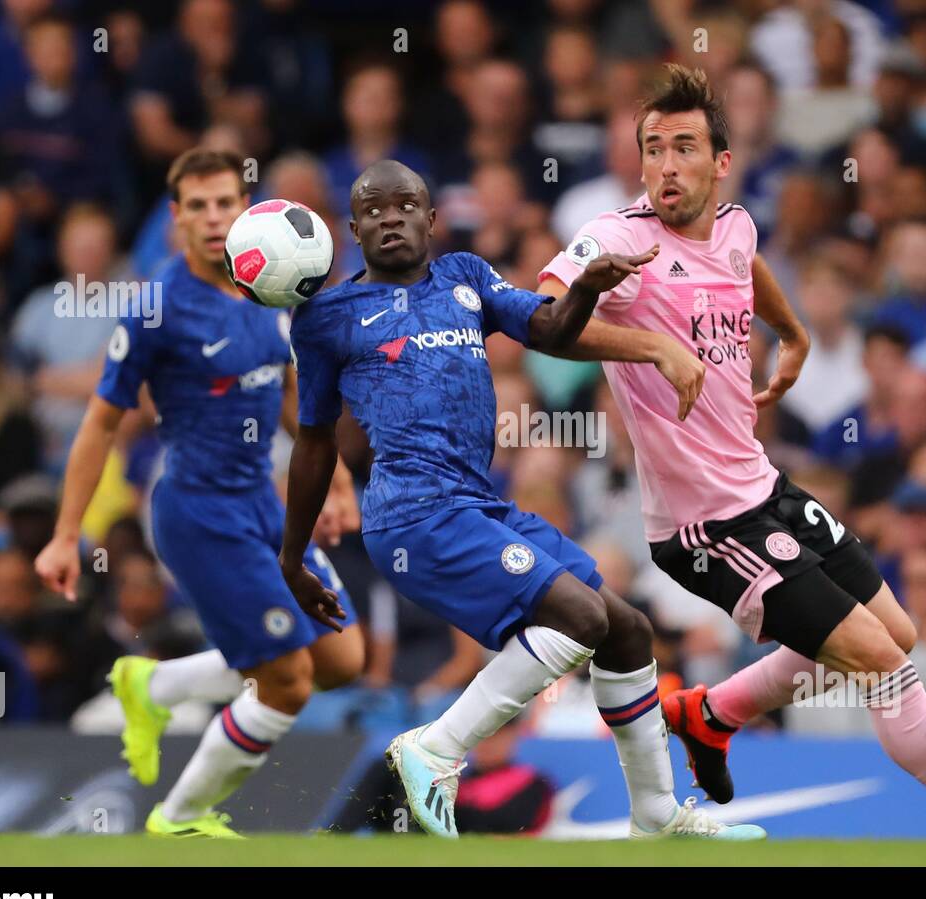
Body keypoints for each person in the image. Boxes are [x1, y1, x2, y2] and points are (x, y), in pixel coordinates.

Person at [538, 64, 926, 843]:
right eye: (652, 149)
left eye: (683, 147)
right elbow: (540, 319)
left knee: (899, 634)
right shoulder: (617, 240)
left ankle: (713, 714)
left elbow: (746, 266)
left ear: (721, 163)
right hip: (703, 528)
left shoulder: (736, 225)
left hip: (765, 489)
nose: (666, 165)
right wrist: (649, 346)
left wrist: (796, 331)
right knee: (881, 660)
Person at [282, 158, 762, 841]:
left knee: (625, 628)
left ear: (431, 216)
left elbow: (549, 329)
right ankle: (437, 747)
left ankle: (655, 814)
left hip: (478, 505)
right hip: (414, 516)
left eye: (405, 204)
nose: (390, 217)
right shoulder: (328, 318)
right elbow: (312, 442)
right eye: (373, 209)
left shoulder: (466, 277)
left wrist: (588, 291)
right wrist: (292, 558)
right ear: (353, 228)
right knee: (579, 618)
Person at [33, 147, 366, 838]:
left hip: (265, 505)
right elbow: (101, 422)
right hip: (198, 514)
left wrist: (333, 482)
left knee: (341, 661)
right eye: (199, 206)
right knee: (287, 681)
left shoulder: (270, 286)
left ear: (244, 211)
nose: (215, 218)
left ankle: (154, 686)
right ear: (176, 219)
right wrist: (66, 534)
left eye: (225, 203)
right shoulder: (157, 307)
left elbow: (292, 397)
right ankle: (179, 819)